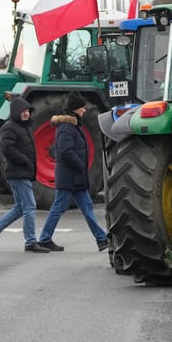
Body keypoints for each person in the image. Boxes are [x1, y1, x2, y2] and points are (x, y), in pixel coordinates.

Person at [37, 92, 109, 252]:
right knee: (59, 208)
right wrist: (80, 165)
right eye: (82, 107)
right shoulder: (66, 128)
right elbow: (64, 151)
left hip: (75, 177)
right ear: (75, 109)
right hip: (69, 177)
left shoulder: (72, 126)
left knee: (87, 207)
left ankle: (102, 239)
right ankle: (44, 239)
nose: (84, 110)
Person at [0, 96, 50, 253]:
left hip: (23, 172)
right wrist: (25, 161)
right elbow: (7, 149)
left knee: (19, 208)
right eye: (23, 111)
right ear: (15, 112)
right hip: (17, 173)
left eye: (27, 111)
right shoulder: (9, 128)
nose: (26, 114)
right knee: (30, 206)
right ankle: (30, 242)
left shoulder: (24, 128)